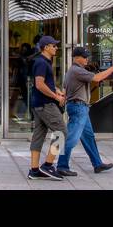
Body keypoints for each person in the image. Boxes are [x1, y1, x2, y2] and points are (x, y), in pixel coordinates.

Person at [56, 47, 113, 176]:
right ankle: (61, 166)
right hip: (78, 107)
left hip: (79, 107)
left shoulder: (72, 71)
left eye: (87, 56)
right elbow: (97, 78)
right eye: (84, 56)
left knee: (89, 137)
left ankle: (97, 164)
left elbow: (66, 89)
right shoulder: (77, 70)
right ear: (77, 57)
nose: (87, 59)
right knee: (71, 138)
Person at [28, 35, 68, 180]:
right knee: (62, 132)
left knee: (38, 136)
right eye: (54, 45)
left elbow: (45, 82)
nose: (56, 48)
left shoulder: (43, 62)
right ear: (46, 47)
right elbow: (39, 84)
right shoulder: (41, 63)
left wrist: (56, 89)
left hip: (39, 104)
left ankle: (34, 171)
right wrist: (56, 97)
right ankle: (48, 166)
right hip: (45, 104)